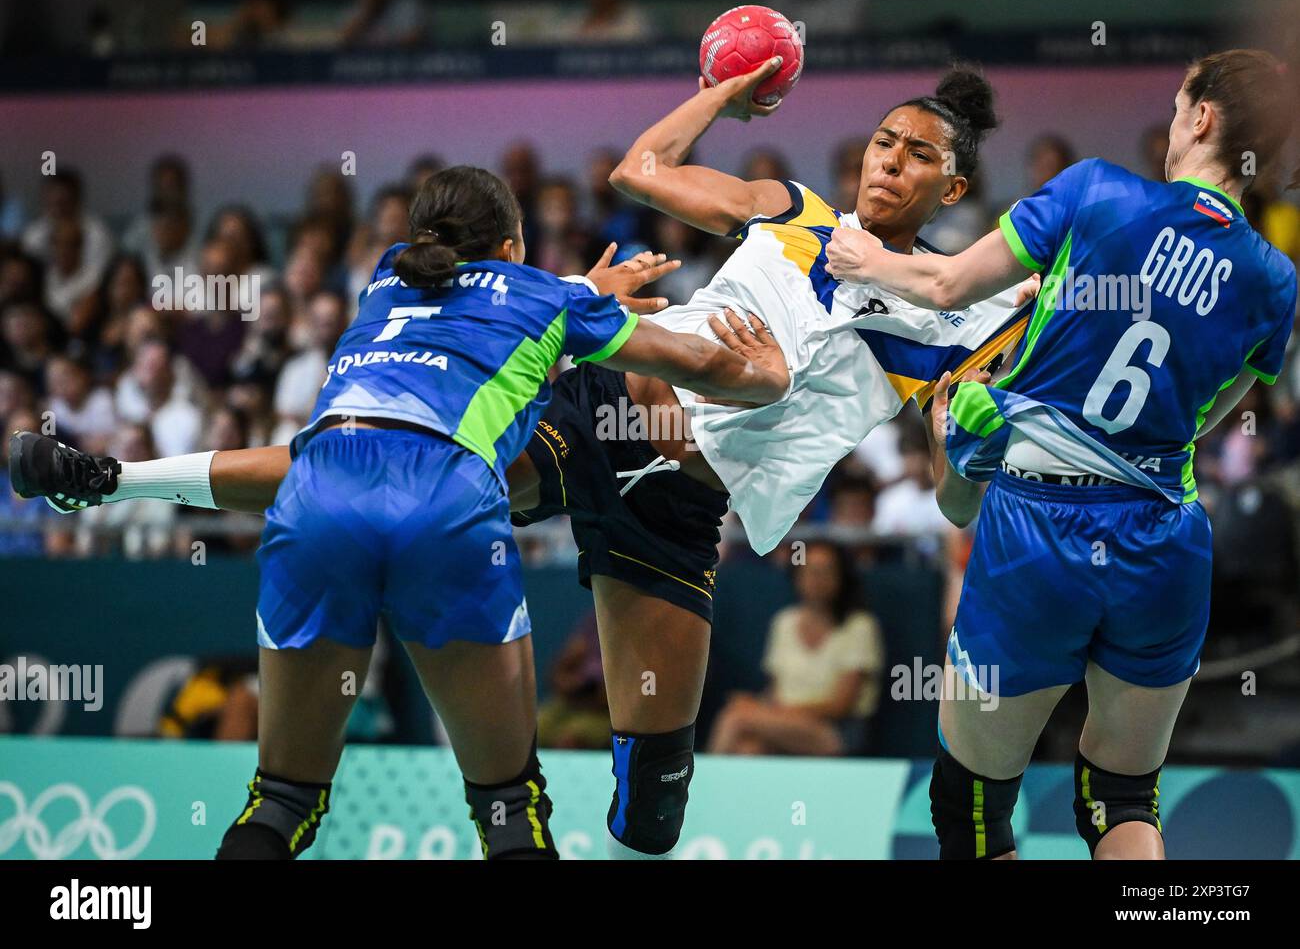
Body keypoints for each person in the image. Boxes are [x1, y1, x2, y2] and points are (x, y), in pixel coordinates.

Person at [11, 63, 1036, 859]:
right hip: (599, 412)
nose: (888, 162)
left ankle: (112, 482)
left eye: (916, 156)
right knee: (392, 462)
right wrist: (728, 90)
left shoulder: (972, 309)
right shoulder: (790, 208)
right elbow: (640, 170)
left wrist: (965, 455)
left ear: (954, 181)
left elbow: (960, 477)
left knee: (649, 814)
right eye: (884, 142)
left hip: (681, 508)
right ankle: (110, 478)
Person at [12, 165, 789, 860]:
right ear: (515, 246)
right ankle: (121, 476)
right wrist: (769, 373)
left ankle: (119, 476)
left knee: (281, 800)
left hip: (319, 491)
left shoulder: (386, 278)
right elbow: (697, 363)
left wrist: (577, 293)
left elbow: (496, 302)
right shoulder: (546, 298)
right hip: (445, 502)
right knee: (510, 809)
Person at [825, 48, 1299, 860]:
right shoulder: (1274, 279)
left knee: (969, 808)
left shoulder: (1097, 192)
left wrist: (866, 260)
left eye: (1181, 100)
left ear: (1203, 117)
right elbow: (1210, 414)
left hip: (1040, 531)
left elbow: (946, 288)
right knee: (1121, 798)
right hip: (1165, 537)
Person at [709, 541, 883, 756]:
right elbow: (775, 690)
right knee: (749, 749)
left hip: (836, 731)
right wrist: (757, 704)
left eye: (826, 571)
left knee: (736, 717)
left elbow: (842, 705)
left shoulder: (859, 626)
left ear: (841, 577)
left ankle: (697, 787)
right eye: (810, 571)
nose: (817, 579)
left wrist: (772, 712)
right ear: (797, 576)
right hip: (785, 723)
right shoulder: (784, 622)